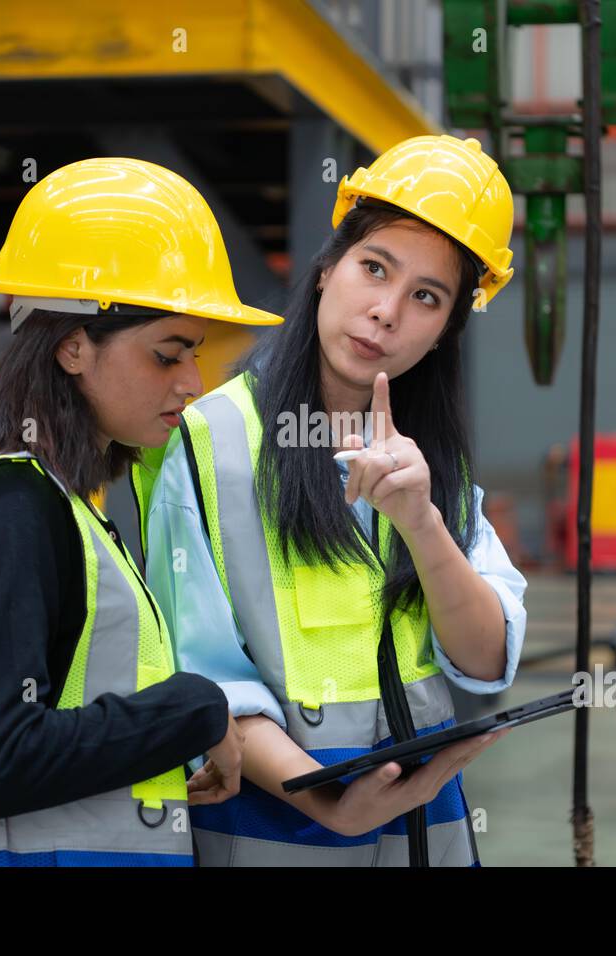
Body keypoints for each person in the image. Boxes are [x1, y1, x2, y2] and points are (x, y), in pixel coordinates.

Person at [0, 158, 282, 866]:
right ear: (73, 346)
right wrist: (195, 707)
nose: (192, 383)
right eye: (168, 355)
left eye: (194, 355)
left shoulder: (63, 509)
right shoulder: (13, 505)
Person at [140, 135, 527, 866]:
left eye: (426, 297)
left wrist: (423, 523)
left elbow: (484, 659)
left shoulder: (433, 457)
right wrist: (330, 805)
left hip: (424, 825)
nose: (386, 312)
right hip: (279, 825)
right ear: (325, 271)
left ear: (446, 331)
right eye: (374, 268)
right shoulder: (213, 439)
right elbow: (202, 673)